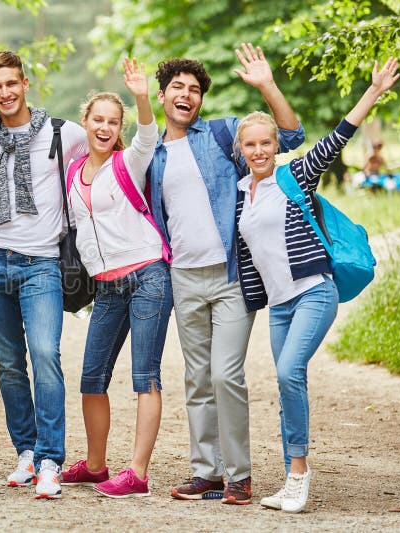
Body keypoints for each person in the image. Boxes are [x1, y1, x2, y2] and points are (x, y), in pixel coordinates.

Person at [234, 57, 400, 513]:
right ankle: (292, 475)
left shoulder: (293, 178)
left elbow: (338, 136)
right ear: (241, 150)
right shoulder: (238, 195)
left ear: (274, 145)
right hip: (279, 306)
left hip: (314, 291)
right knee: (289, 383)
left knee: (289, 372)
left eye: (266, 142)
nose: (260, 151)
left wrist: (374, 91)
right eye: (251, 145)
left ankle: (300, 475)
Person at [147, 44, 306, 505]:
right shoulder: (151, 151)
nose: (186, 94)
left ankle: (239, 474)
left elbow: (290, 137)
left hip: (231, 275)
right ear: (162, 96)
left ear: (200, 102)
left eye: (194, 90)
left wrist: (267, 86)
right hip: (183, 276)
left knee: (224, 375)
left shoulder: (221, 134)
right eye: (178, 87)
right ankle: (207, 472)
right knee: (196, 378)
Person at [0, 51, 88, 499]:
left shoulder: (63, 133)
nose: (5, 93)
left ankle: (51, 459)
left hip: (41, 264)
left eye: (12, 83)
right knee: (10, 365)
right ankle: (26, 452)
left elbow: (112, 155)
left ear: (25, 83)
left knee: (45, 354)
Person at [59, 59, 174, 498]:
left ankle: (138, 474)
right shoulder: (73, 173)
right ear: (85, 123)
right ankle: (94, 465)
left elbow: (148, 134)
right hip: (106, 288)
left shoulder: (131, 161)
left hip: (147, 276)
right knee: (92, 378)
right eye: (97, 120)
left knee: (145, 376)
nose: (105, 127)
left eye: (113, 121)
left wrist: (142, 95)